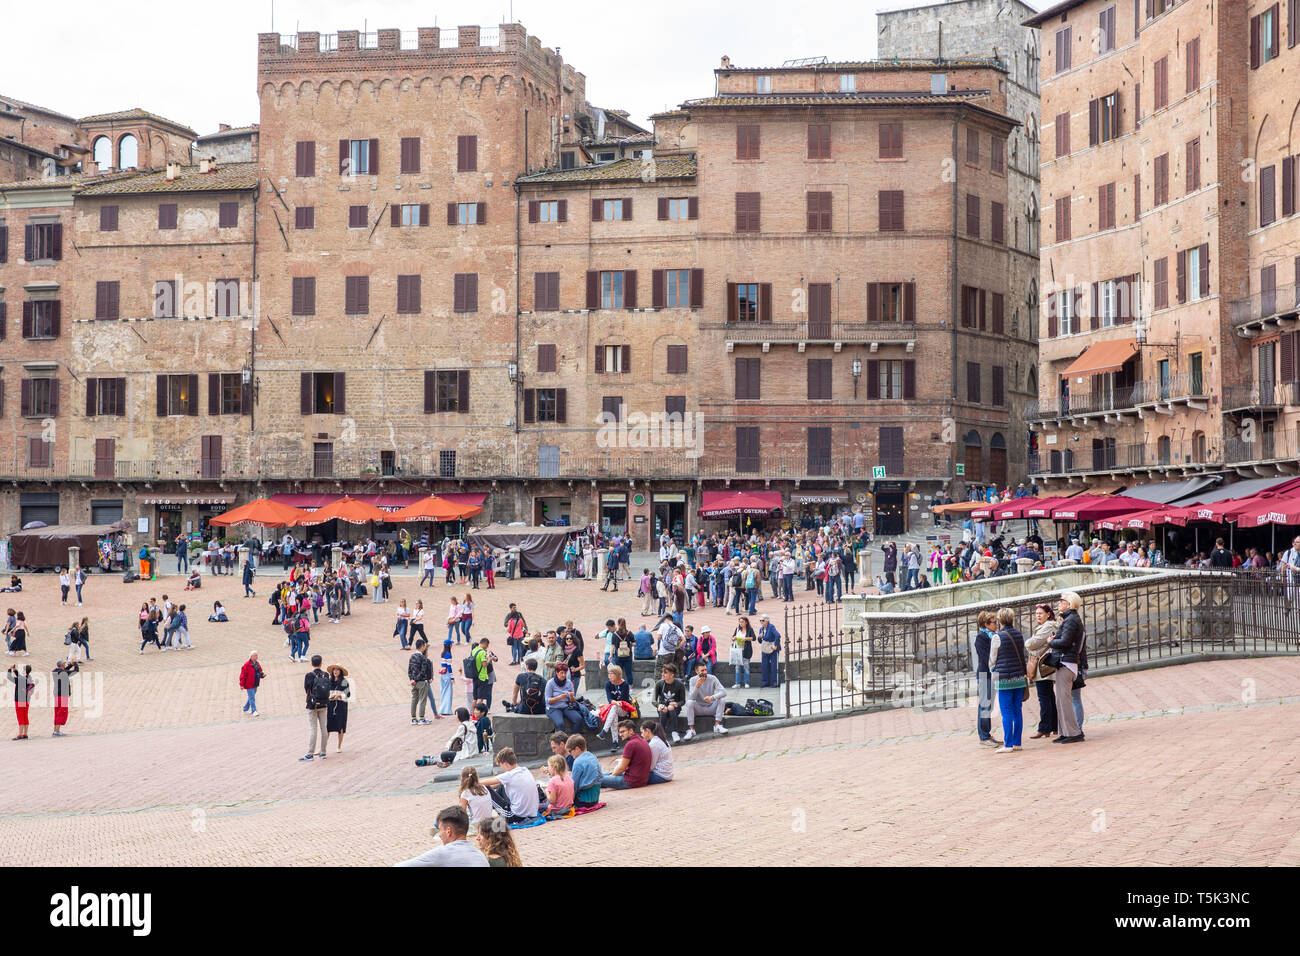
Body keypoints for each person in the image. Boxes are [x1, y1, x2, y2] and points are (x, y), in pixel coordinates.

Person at [393, 806, 490, 867]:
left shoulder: (443, 853)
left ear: (448, 831)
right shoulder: (480, 855)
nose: (440, 834)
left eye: (440, 830)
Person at [1048, 592, 1087, 744]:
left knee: (1065, 700)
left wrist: (1051, 641)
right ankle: (1065, 731)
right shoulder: (1070, 619)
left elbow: (1065, 641)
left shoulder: (1071, 620)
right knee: (1061, 699)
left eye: (1061, 601)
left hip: (1066, 662)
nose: (1059, 604)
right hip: (1065, 662)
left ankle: (1074, 732)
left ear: (1069, 604)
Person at [988, 607, 1027, 753]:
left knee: (1006, 712)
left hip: (1003, 679)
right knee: (1017, 710)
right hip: (1018, 678)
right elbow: (1022, 655)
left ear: (999, 621)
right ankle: (1017, 742)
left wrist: (992, 670)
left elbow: (993, 658)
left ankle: (1008, 744)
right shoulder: (1018, 635)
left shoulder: (997, 637)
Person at [481, 748, 543, 823]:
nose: (502, 769)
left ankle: (483, 809)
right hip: (532, 813)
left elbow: (483, 783)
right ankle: (492, 805)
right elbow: (499, 783)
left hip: (514, 816)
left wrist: (469, 783)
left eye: (501, 766)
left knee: (485, 788)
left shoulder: (509, 775)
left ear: (506, 764)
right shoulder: (524, 770)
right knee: (501, 785)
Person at [1026, 603, 1059, 739]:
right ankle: (1054, 726)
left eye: (1040, 613)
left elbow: (1031, 644)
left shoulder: (1048, 626)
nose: (1038, 616)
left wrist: (1029, 644)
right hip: (1044, 666)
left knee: (1044, 697)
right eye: (1036, 613)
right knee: (1049, 696)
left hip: (1043, 667)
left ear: (1048, 614)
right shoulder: (1046, 626)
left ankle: (1044, 727)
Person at [599, 720, 658, 789]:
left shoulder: (630, 744)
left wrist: (612, 776)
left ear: (631, 731)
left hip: (631, 781)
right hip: (642, 780)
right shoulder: (642, 741)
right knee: (604, 774)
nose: (620, 734)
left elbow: (621, 768)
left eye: (623, 731)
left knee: (595, 779)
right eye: (619, 732)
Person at [971, 610, 1000, 748]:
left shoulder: (993, 635)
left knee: (989, 704)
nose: (996, 624)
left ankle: (987, 734)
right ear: (986, 624)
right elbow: (985, 657)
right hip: (985, 674)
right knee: (984, 704)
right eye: (994, 622)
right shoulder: (981, 637)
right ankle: (983, 736)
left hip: (992, 674)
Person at [682, 661, 729, 739]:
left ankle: (717, 725)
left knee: (722, 700)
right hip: (699, 709)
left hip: (711, 707)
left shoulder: (712, 678)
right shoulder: (692, 680)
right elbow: (691, 698)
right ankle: (691, 730)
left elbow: (724, 692)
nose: (705, 672)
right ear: (697, 672)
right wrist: (697, 686)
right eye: (702, 671)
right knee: (689, 702)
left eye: (705, 670)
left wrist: (712, 698)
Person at [596, 663, 635, 751]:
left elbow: (623, 701)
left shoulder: (625, 684)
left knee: (614, 708)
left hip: (624, 709)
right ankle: (615, 743)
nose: (609, 676)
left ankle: (604, 732)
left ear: (617, 675)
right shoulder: (608, 684)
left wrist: (611, 704)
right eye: (608, 674)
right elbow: (609, 698)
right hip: (614, 708)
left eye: (611, 674)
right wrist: (613, 703)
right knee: (614, 714)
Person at [300, 655, 331, 761]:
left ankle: (310, 753)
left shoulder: (309, 675)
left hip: (312, 705)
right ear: (321, 663)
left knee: (313, 729)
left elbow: (306, 689)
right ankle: (323, 752)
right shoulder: (326, 674)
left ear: (312, 664)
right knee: (324, 728)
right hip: (324, 704)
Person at [545, 662, 584, 733]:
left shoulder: (568, 682)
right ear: (556, 672)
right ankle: (561, 743)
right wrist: (559, 697)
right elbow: (548, 701)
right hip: (553, 708)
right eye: (562, 673)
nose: (564, 675)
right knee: (560, 724)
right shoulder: (550, 683)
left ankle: (573, 741)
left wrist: (572, 697)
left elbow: (572, 702)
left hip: (566, 706)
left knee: (578, 719)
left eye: (565, 673)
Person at [458, 766, 498, 832]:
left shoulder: (465, 793)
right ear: (476, 776)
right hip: (489, 822)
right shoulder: (484, 787)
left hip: (476, 825)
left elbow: (462, 814)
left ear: (462, 778)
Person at [567, 735, 602, 807]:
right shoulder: (592, 756)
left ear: (577, 749)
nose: (570, 754)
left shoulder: (578, 762)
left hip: (583, 801)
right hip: (595, 799)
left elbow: (574, 786)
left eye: (570, 751)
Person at [655, 663, 687, 741]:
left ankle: (674, 732)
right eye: (662, 672)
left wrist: (677, 704)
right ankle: (661, 733)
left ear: (672, 674)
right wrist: (658, 705)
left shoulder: (680, 685)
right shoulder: (659, 684)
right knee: (664, 708)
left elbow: (683, 701)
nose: (662, 674)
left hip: (674, 709)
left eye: (665, 672)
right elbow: (653, 700)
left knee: (670, 707)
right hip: (663, 708)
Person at [51, 659, 79, 736]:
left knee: (57, 712)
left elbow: (65, 670)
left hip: (57, 695)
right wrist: (75, 664)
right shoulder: (63, 673)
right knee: (61, 712)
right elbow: (76, 671)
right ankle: (57, 731)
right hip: (63, 695)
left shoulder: (55, 671)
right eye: (65, 664)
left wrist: (71, 664)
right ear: (62, 665)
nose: (65, 665)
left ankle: (55, 730)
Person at [409, 639, 434, 725]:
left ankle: (413, 718)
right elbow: (423, 671)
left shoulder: (412, 656)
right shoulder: (423, 658)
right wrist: (417, 679)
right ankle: (422, 718)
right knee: (423, 700)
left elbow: (410, 670)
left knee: (414, 699)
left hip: (413, 682)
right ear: (422, 646)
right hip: (422, 682)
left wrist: (412, 679)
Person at [326, 664, 351, 752]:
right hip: (331, 705)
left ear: (340, 672)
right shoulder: (329, 681)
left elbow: (348, 694)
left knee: (340, 726)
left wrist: (339, 695)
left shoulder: (344, 682)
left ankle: (339, 746)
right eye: (334, 670)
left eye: (337, 670)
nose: (335, 671)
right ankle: (323, 747)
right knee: (328, 726)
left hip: (341, 706)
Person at [8, 664, 34, 740]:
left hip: (19, 700)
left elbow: (9, 677)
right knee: (25, 716)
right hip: (26, 700)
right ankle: (25, 733)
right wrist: (15, 670)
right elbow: (20, 676)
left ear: (25, 671)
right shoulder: (29, 678)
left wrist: (9, 669)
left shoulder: (20, 679)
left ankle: (20, 734)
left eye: (23, 669)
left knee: (20, 717)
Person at [471, 638, 497, 710]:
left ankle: (473, 715)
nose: (487, 647)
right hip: (482, 677)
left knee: (474, 699)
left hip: (475, 676)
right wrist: (489, 659)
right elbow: (484, 664)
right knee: (480, 698)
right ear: (485, 644)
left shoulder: (474, 650)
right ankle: (479, 714)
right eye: (487, 645)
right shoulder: (482, 652)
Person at [729, 616, 755, 689]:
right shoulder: (737, 629)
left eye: (742, 622)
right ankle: (737, 683)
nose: (741, 623)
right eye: (740, 622)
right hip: (738, 650)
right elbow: (733, 637)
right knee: (737, 667)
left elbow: (754, 638)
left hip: (746, 650)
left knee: (746, 667)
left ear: (746, 622)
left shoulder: (749, 629)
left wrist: (745, 639)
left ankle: (746, 682)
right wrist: (733, 638)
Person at [756, 613, 782, 688]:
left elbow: (778, 635)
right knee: (764, 665)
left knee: (774, 665)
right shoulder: (761, 629)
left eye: (763, 620)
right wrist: (759, 637)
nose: (761, 622)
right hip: (765, 648)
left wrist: (775, 645)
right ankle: (765, 682)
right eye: (760, 620)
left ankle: (774, 682)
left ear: (767, 621)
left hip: (772, 648)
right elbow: (760, 641)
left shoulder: (771, 627)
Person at [240, 651, 265, 717]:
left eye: (257, 655)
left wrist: (262, 675)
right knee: (252, 698)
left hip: (255, 683)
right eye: (255, 655)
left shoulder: (257, 664)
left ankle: (245, 708)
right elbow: (243, 675)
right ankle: (254, 711)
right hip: (249, 684)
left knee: (251, 697)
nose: (256, 657)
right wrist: (241, 684)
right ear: (251, 657)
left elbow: (260, 671)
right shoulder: (246, 665)